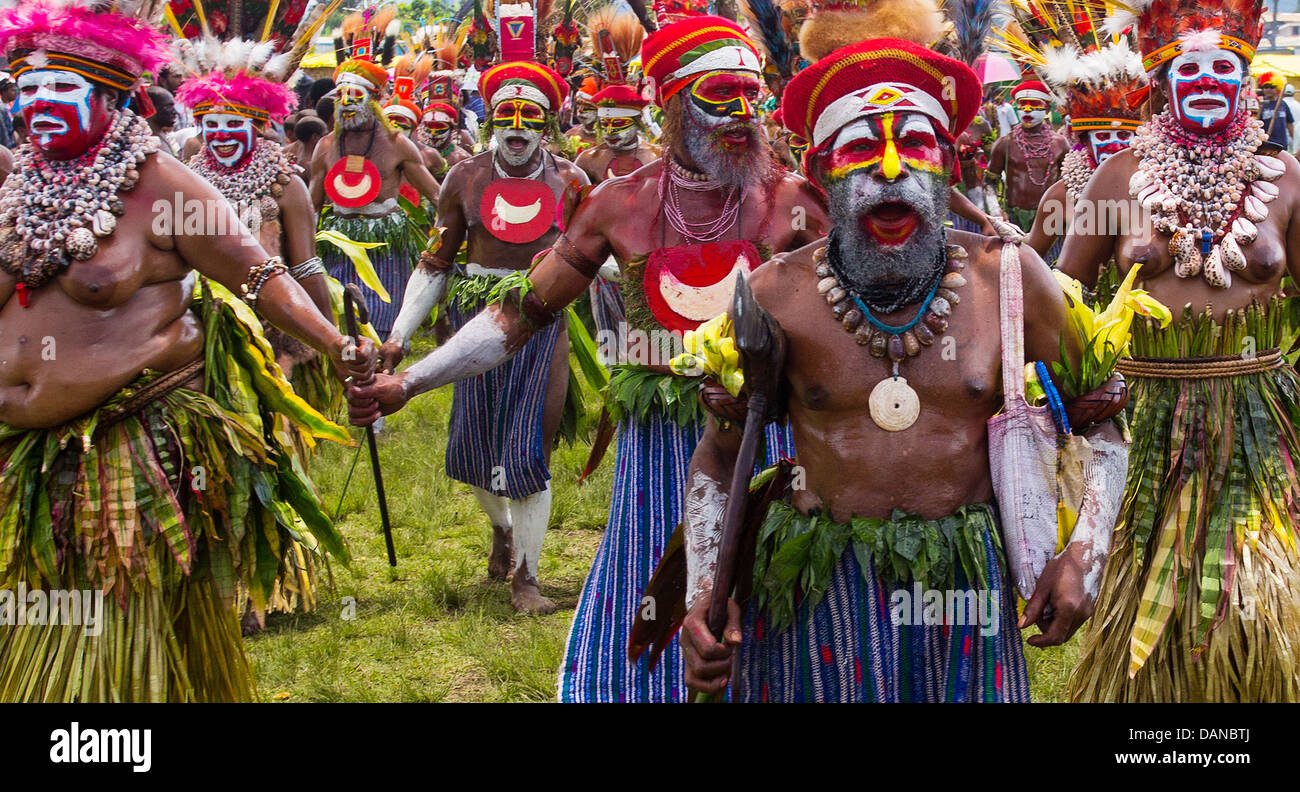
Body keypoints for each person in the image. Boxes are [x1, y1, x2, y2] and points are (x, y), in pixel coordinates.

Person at [349, 12, 828, 701]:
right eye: (723, 96)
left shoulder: (791, 202)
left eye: (753, 96)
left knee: (768, 597)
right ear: (673, 104)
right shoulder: (619, 205)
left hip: (767, 435)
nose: (745, 114)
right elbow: (520, 314)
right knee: (654, 588)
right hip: (658, 446)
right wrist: (411, 380)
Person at [677, 0, 1125, 703]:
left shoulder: (1012, 281)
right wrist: (704, 588)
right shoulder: (773, 295)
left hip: (963, 595)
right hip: (814, 588)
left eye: (913, 144)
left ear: (946, 159)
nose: (890, 168)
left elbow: (1103, 425)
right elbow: (718, 454)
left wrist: (1085, 558)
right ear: (824, 168)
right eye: (861, 148)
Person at [0, 0, 375, 702]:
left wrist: (333, 343)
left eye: (58, 89)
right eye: (24, 89)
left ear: (111, 97)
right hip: (26, 457)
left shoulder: (164, 187)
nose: (35, 105)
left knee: (103, 647)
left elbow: (261, 274)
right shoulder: (20, 183)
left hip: (119, 454)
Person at [1061, 0, 1300, 702]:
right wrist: (1076, 386)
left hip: (1257, 418)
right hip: (1143, 420)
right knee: (1143, 588)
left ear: (1246, 80)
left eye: (1223, 66)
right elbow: (1061, 300)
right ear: (1162, 82)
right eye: (1187, 68)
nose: (1206, 81)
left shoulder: (1285, 178)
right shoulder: (1117, 179)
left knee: (1252, 587)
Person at [309, 7, 441, 340]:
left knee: (383, 314)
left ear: (376, 99)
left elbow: (437, 197)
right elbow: (311, 206)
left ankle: (384, 368)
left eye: (355, 96)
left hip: (385, 238)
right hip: (338, 238)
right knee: (342, 317)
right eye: (340, 96)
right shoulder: (326, 145)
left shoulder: (398, 144)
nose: (346, 103)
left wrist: (446, 241)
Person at [998, 2, 1146, 263]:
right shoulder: (1062, 196)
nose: (1114, 146)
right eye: (1102, 137)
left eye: (1124, 137)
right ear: (1084, 142)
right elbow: (1029, 260)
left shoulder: (1162, 192)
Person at [985, 79, 1070, 233]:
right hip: (1014, 220)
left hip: (1052, 219)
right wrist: (996, 213)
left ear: (1047, 109)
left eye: (1034, 104)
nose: (1027, 109)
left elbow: (1068, 182)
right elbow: (989, 182)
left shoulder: (1060, 143)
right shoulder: (1005, 143)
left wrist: (1067, 211)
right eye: (1022, 104)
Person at [1258, 72, 1292, 152]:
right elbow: (1256, 122)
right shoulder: (1261, 104)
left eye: (1271, 87)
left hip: (1282, 144)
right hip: (1267, 145)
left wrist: (1293, 139)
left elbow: (1289, 123)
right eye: (1266, 87)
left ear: (1277, 89)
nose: (1268, 90)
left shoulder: (1283, 104)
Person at [0, 77, 16, 148]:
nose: (15, 92)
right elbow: (4, 133)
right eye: (12, 90)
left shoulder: (15, 105)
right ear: (4, 92)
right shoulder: (2, 108)